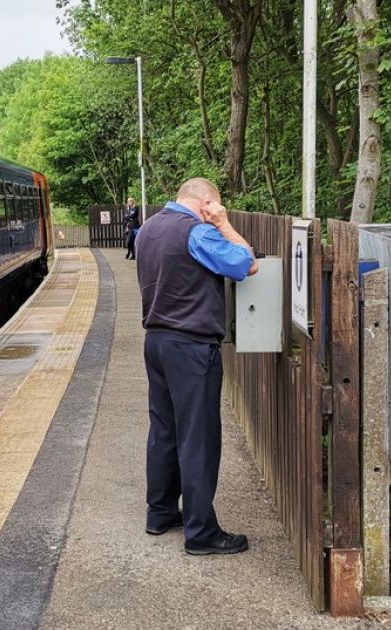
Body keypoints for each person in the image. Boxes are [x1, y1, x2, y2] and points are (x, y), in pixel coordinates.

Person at [135, 177, 258, 555]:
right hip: (190, 345)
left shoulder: (147, 230)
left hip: (156, 342)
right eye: (215, 207)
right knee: (199, 437)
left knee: (164, 429)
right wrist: (223, 224)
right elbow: (245, 264)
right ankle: (201, 532)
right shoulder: (198, 233)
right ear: (206, 202)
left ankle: (160, 513)